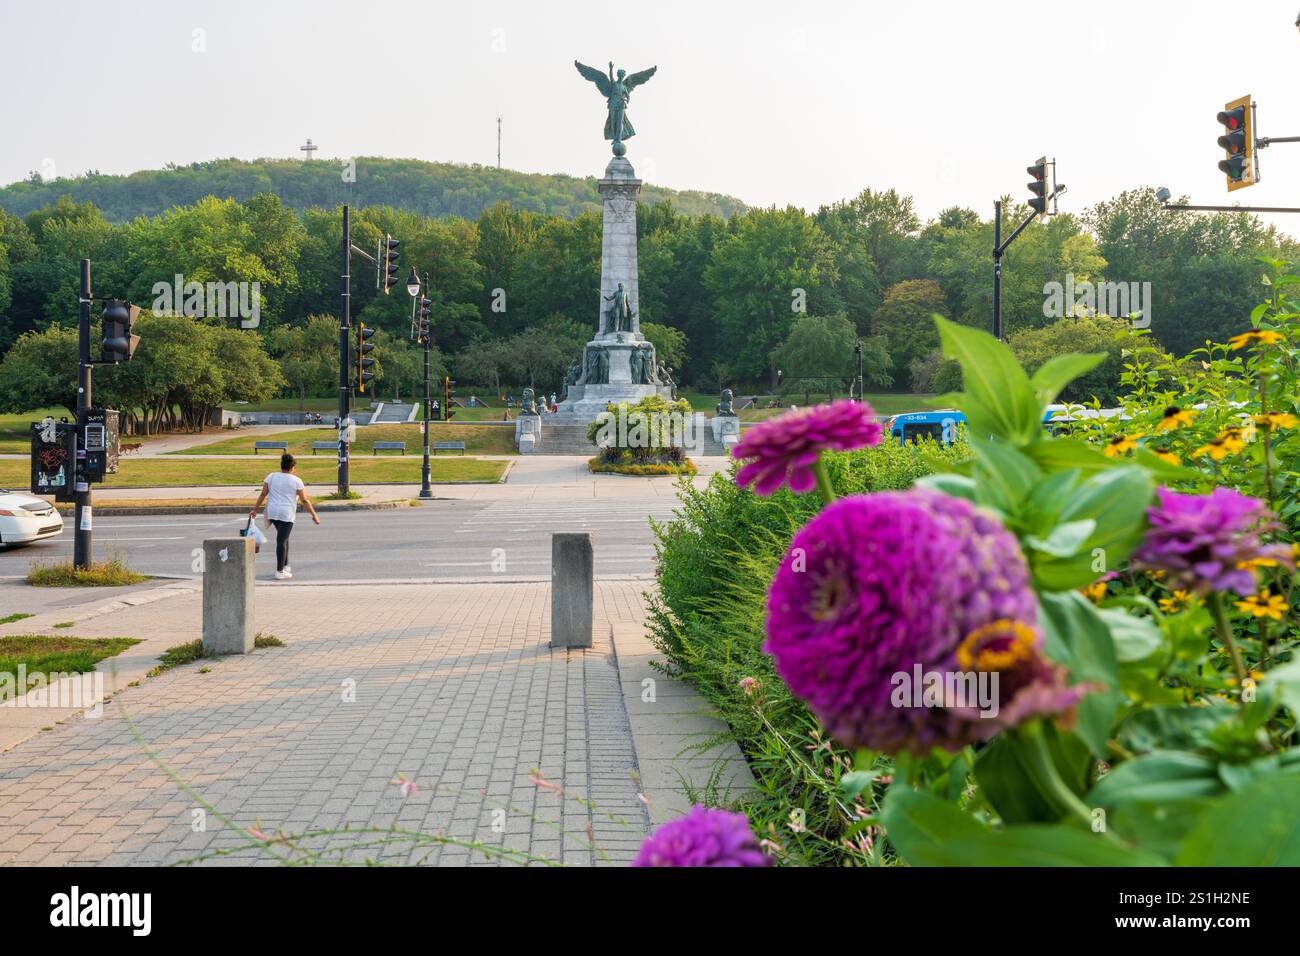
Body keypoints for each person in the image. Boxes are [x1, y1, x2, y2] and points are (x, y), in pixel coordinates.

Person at [250, 453, 320, 580]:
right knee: (282, 540)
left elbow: (263, 494)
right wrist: (314, 515)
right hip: (286, 514)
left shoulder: (271, 476)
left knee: (284, 538)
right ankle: (279, 571)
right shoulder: (296, 480)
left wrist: (255, 509)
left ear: (281, 466)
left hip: (273, 512)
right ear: (292, 467)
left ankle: (286, 566)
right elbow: (304, 500)